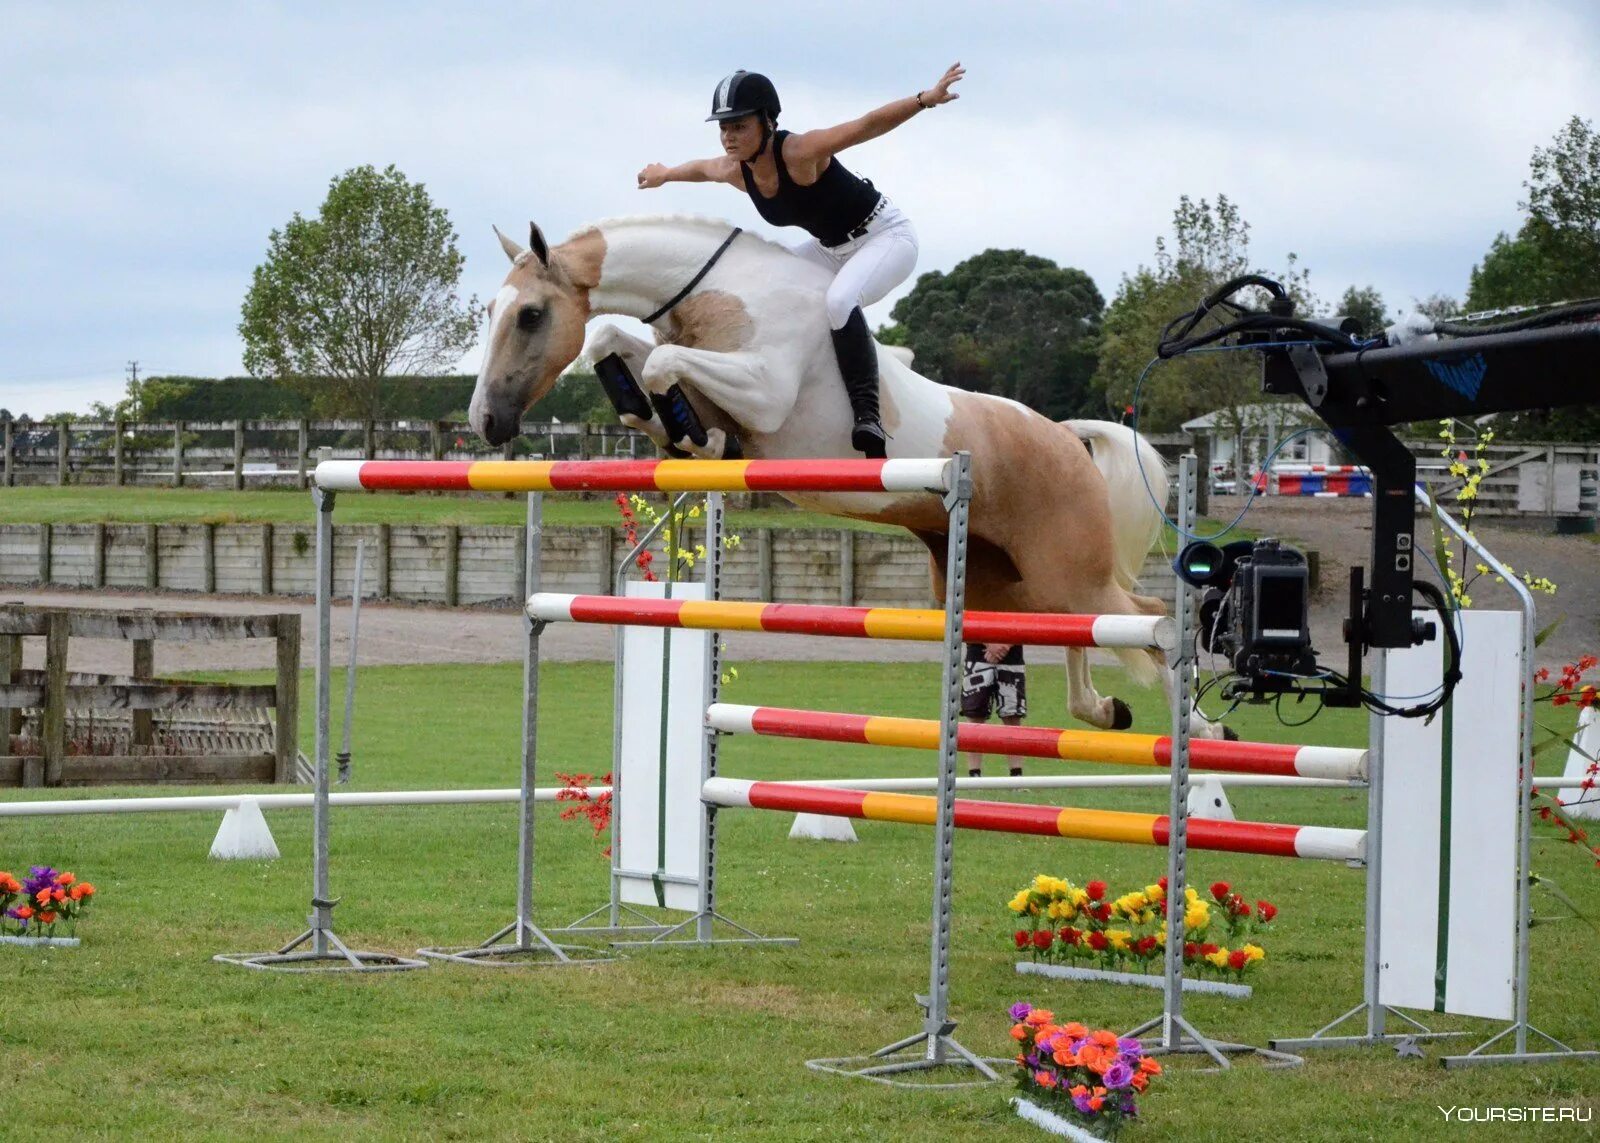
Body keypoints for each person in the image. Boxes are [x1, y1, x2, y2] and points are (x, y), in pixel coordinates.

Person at [636, 64, 966, 458]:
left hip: (885, 237)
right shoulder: (734, 171)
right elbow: (698, 169)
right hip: (830, 248)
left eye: (739, 125)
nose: (729, 136)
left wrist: (924, 100)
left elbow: (866, 125)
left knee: (840, 301)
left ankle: (868, 415)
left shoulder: (800, 152)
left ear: (768, 122)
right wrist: (664, 174)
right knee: (762, 282)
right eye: (724, 127)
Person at [961, 642, 1027, 777]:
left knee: (1012, 715)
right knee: (975, 715)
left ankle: (1016, 776)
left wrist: (1006, 645)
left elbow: (1026, 621)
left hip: (1012, 656)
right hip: (977, 654)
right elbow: (967, 622)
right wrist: (990, 644)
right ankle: (974, 775)